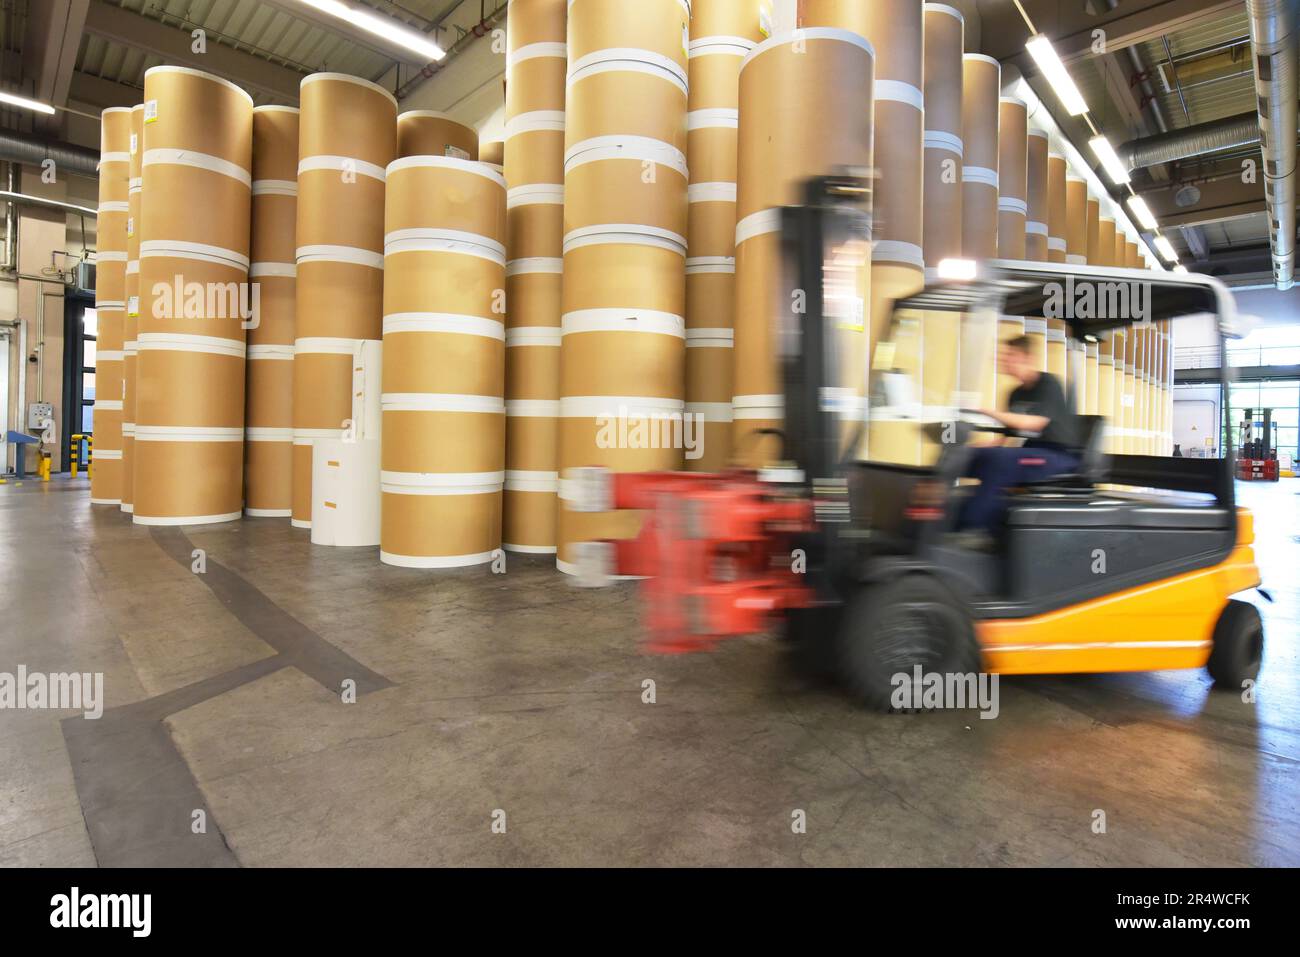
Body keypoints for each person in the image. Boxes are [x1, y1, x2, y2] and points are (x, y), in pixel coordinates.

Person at [958, 335, 1081, 536]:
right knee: (970, 456)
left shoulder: (1048, 384)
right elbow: (1006, 437)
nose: (1004, 360)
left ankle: (973, 527)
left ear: (1028, 358)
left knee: (1002, 461)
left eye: (1010, 355)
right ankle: (957, 520)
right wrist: (977, 448)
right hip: (1031, 452)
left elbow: (1034, 423)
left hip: (1058, 456)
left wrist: (986, 410)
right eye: (1004, 355)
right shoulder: (1014, 393)